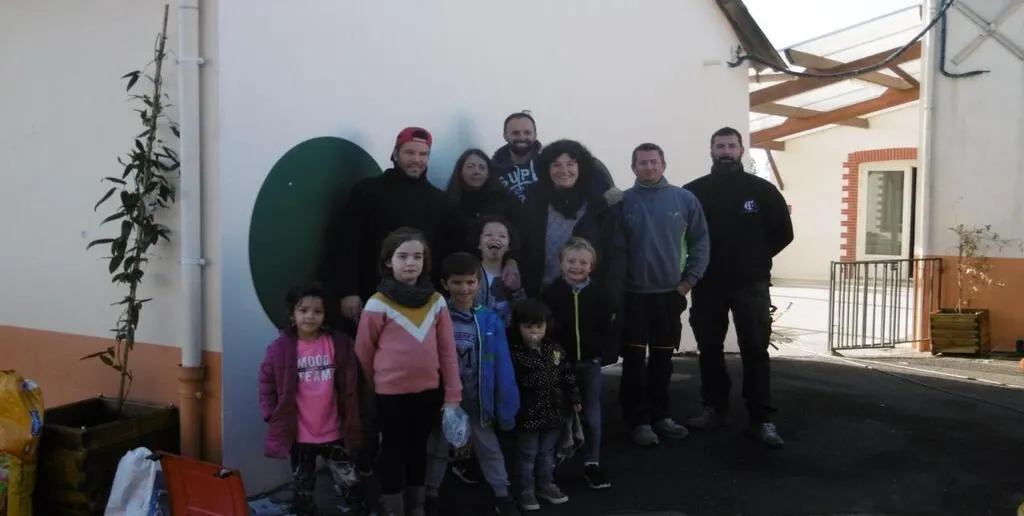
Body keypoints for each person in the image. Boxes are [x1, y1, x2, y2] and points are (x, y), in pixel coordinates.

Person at [682, 127, 794, 449]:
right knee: (709, 349)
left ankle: (761, 419)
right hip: (708, 284)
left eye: (731, 146)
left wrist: (755, 258)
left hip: (751, 284)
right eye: (720, 146)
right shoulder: (693, 192)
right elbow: (681, 236)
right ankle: (714, 409)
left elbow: (783, 233)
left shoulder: (762, 191)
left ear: (741, 150)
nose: (726, 152)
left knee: (755, 351)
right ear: (711, 150)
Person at [354, 228, 463, 515]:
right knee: (392, 452)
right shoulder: (377, 304)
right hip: (390, 396)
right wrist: (370, 393)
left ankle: (417, 506)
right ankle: (393, 508)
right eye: (402, 256)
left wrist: (453, 395)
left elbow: (447, 351)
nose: (411, 262)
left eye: (417, 256)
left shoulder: (436, 301)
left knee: (418, 451)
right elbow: (363, 354)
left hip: (428, 393)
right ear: (388, 261)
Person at [619, 143, 710, 447]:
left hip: (669, 296)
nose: (648, 167)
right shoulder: (622, 202)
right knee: (633, 363)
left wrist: (688, 282)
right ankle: (638, 422)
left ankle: (660, 416)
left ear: (663, 165)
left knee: (662, 360)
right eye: (642, 163)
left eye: (653, 162)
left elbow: (701, 241)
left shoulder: (684, 199)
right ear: (633, 168)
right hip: (632, 296)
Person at [423, 252, 521, 516]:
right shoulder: (436, 316)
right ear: (445, 284)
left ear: (479, 282)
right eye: (457, 282)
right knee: (437, 447)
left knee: (489, 448)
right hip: (445, 399)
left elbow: (502, 365)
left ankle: (502, 494)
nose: (464, 288)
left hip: (479, 398)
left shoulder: (489, 319)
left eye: (470, 282)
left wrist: (507, 406)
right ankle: (430, 494)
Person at [336, 127, 462, 325]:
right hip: (371, 298)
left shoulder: (441, 202)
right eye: (409, 152)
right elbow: (348, 244)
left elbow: (446, 255)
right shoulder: (367, 191)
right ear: (395, 154)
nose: (417, 159)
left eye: (423, 154)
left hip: (422, 304)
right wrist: (348, 291)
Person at [258, 283, 364, 515]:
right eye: (303, 310)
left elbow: (355, 384)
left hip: (336, 431)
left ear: (325, 315)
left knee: (350, 484)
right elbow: (267, 383)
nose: (310, 316)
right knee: (303, 488)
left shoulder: (339, 344)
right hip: (300, 434)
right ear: (292, 315)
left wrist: (358, 415)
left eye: (317, 311)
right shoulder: (280, 349)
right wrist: (271, 414)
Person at [540, 237, 617, 490]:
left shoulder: (600, 293)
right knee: (558, 413)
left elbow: (609, 326)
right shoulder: (551, 293)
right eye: (571, 261)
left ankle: (592, 462)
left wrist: (604, 352)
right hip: (560, 364)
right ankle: (551, 462)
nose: (576, 266)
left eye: (583, 262)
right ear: (560, 263)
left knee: (592, 414)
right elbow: (545, 330)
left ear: (591, 266)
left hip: (590, 363)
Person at [518, 139, 627, 314]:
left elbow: (615, 252)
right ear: (546, 169)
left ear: (581, 167)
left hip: (589, 298)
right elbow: (524, 244)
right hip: (543, 296)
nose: (564, 171)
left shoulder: (600, 203)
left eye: (570, 164)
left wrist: (612, 294)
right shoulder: (535, 200)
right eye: (556, 164)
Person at [508, 299, 581, 512]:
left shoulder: (554, 348)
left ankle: (546, 484)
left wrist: (575, 399)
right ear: (518, 327)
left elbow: (567, 375)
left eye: (539, 326)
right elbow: (509, 384)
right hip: (528, 415)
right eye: (528, 326)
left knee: (547, 452)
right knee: (527, 454)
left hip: (554, 412)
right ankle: (526, 490)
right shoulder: (514, 353)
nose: (534, 331)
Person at [492, 112, 618, 205]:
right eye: (515, 133)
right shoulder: (491, 170)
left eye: (527, 132)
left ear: (535, 135)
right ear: (505, 135)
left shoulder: (551, 163)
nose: (522, 137)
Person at [445, 148, 529, 239]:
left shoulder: (505, 200)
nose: (476, 172)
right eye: (470, 167)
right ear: (460, 171)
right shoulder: (448, 202)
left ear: (488, 173)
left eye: (482, 167)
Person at [473, 215, 527, 326]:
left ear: (509, 246)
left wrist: (517, 291)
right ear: (478, 243)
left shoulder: (516, 274)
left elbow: (524, 314)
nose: (495, 239)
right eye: (488, 235)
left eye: (502, 236)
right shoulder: (470, 274)